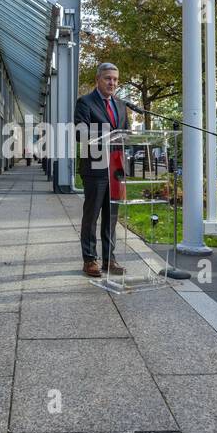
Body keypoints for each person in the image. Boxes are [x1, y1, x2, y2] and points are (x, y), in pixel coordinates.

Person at [74, 63, 129, 279]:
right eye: (108, 78)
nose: (112, 83)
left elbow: (126, 133)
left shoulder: (122, 105)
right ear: (98, 79)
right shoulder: (85, 102)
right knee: (92, 216)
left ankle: (109, 259)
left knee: (112, 217)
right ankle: (89, 260)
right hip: (95, 167)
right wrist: (107, 135)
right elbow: (80, 132)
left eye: (115, 79)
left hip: (116, 168)